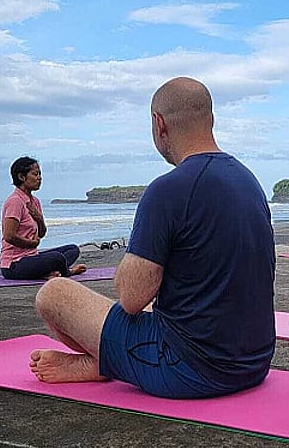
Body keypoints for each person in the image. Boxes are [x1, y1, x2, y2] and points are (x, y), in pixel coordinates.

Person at [29, 77, 276, 398]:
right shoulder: (248, 180)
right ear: (211, 120)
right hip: (253, 363)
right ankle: (105, 361)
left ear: (159, 124)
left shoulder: (168, 189)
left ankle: (104, 363)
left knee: (54, 293)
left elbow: (131, 299)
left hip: (188, 368)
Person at [1, 157, 87, 281]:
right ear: (21, 177)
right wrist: (32, 243)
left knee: (73, 249)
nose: (39, 178)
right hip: (15, 264)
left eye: (40, 174)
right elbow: (9, 236)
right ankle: (67, 272)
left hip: (32, 256)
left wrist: (39, 218)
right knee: (57, 258)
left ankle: (50, 272)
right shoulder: (15, 201)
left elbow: (41, 233)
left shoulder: (34, 201)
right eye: (35, 174)